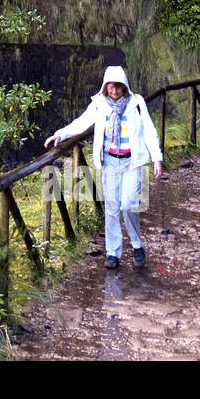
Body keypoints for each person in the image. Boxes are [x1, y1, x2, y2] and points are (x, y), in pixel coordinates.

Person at [43, 65, 162, 269]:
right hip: (110, 161)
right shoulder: (99, 104)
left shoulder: (137, 103)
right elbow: (82, 122)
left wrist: (157, 157)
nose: (114, 91)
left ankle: (137, 244)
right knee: (112, 209)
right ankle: (113, 253)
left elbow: (149, 131)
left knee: (129, 204)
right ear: (105, 87)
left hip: (133, 161)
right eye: (110, 87)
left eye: (118, 87)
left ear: (124, 86)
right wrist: (61, 134)